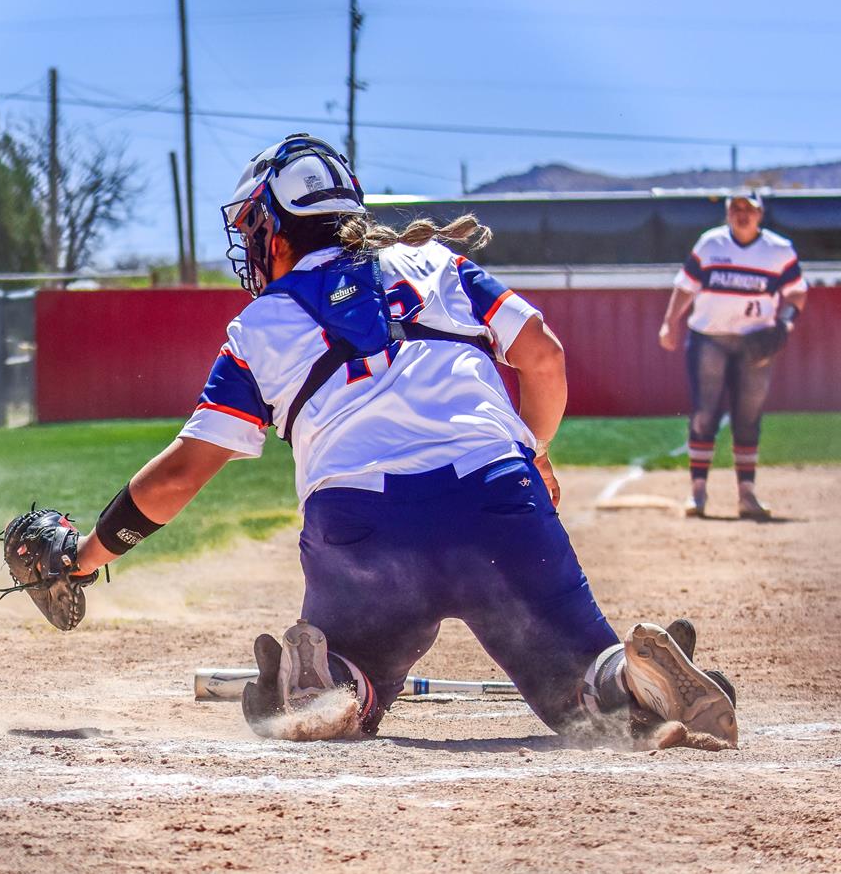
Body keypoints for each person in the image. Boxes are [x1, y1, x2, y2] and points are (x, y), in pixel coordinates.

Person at [61, 135, 739, 748]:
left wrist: (87, 555)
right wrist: (530, 448)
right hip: (496, 496)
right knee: (581, 691)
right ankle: (632, 673)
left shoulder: (258, 325)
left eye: (252, 226)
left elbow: (177, 477)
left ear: (274, 226)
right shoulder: (434, 261)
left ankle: (331, 677)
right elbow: (545, 356)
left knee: (358, 675)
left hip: (362, 525)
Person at [658, 191, 806, 519]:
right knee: (704, 414)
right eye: (735, 208)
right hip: (709, 338)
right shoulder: (711, 244)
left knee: (748, 416)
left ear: (759, 214)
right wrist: (670, 322)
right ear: (727, 213)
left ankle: (747, 495)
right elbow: (686, 285)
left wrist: (785, 325)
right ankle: (698, 493)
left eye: (748, 209)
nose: (742, 214)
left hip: (756, 343)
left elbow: (796, 292)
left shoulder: (778, 250)